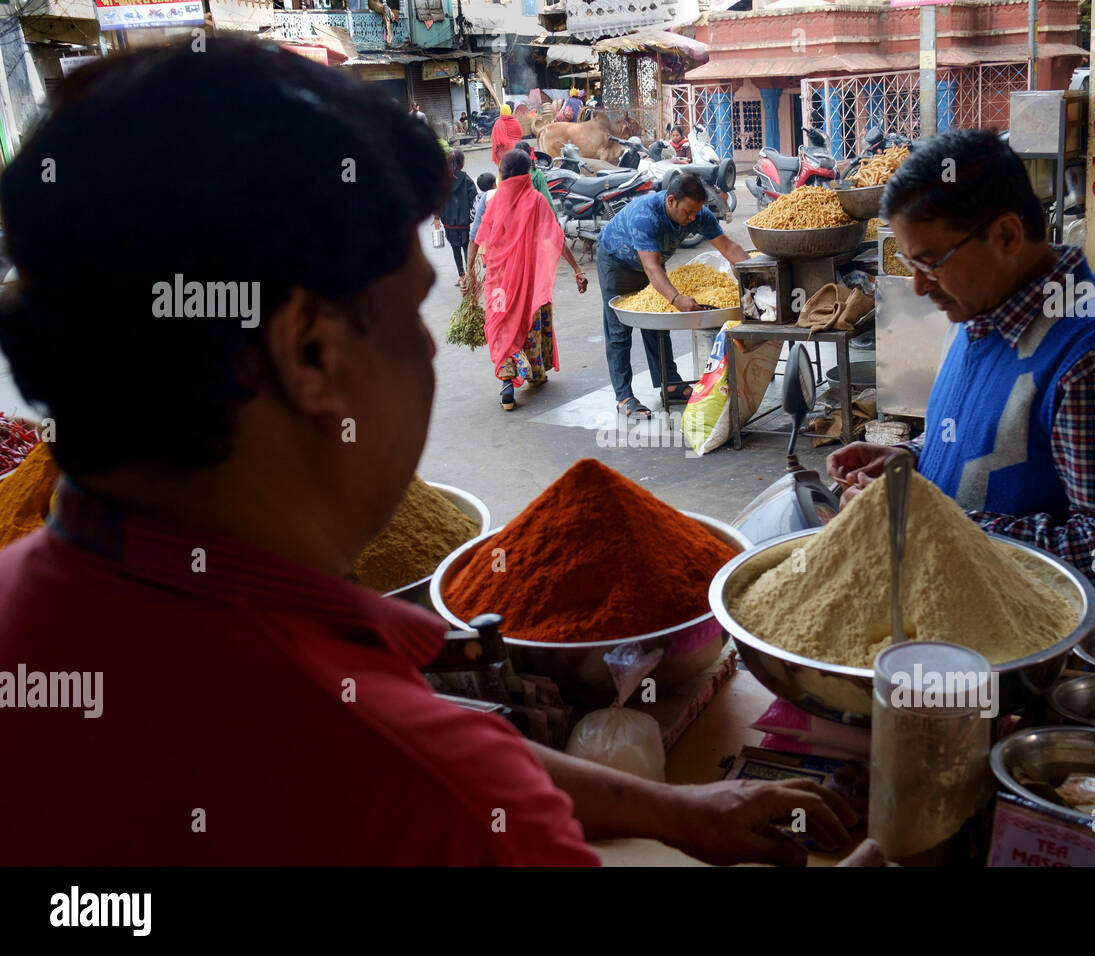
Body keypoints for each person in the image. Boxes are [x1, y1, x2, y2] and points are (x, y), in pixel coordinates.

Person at [0, 41, 885, 868]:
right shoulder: (422, 793)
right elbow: (435, 762)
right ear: (313, 357)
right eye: (412, 316)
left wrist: (675, 812)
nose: (432, 358)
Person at [828, 129, 1095, 613]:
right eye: (909, 263)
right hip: (956, 621)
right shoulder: (982, 309)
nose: (917, 287)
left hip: (1033, 660)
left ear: (1006, 236)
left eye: (931, 262)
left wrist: (928, 524)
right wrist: (914, 458)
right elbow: (993, 441)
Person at [597, 172, 747, 419]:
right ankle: (623, 396)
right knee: (619, 331)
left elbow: (729, 247)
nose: (692, 218)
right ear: (670, 201)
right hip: (618, 263)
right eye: (688, 211)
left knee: (657, 323)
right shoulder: (646, 215)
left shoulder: (697, 214)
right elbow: (651, 268)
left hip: (651, 265)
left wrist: (755, 275)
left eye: (696, 212)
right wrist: (677, 299)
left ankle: (670, 385)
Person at [460, 149, 586, 411]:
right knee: (529, 325)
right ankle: (535, 373)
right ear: (528, 172)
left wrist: (469, 273)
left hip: (498, 281)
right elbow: (556, 237)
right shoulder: (537, 200)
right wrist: (577, 269)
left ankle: (507, 383)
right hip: (528, 279)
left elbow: (476, 236)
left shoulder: (492, 200)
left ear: (503, 174)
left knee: (503, 327)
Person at [438, 147, 476, 276]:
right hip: (464, 222)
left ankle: (461, 275)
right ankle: (470, 275)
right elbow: (474, 200)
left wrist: (437, 217)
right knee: (466, 247)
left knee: (455, 248)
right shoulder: (466, 180)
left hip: (448, 222)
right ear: (462, 163)